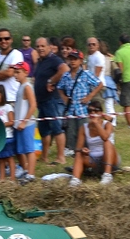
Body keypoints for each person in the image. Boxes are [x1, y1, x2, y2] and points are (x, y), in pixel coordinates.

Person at [57, 49, 103, 155]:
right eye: (70, 59)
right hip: (71, 109)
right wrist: (64, 97)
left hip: (83, 108)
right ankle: (71, 148)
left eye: (75, 59)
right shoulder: (66, 76)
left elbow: (99, 84)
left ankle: (86, 147)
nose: (72, 61)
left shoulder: (86, 74)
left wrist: (90, 96)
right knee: (71, 129)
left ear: (81, 61)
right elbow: (59, 87)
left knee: (85, 128)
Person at [33, 36, 68, 165]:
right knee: (43, 130)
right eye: (38, 46)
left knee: (56, 128)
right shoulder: (40, 62)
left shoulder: (54, 59)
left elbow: (65, 69)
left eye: (43, 46)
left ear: (49, 47)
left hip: (51, 99)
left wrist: (51, 80)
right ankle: (45, 157)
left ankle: (61, 157)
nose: (40, 48)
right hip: (41, 101)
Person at [70, 99, 117, 187]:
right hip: (93, 159)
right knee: (79, 153)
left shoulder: (107, 125)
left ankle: (107, 175)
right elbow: (77, 148)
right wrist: (82, 150)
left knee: (107, 142)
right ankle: (75, 180)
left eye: (95, 110)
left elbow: (105, 137)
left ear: (101, 113)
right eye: (90, 111)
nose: (92, 113)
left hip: (109, 158)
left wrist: (96, 124)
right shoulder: (84, 128)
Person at [10, 62, 37, 181]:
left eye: (18, 72)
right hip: (19, 124)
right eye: (14, 72)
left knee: (29, 149)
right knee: (20, 149)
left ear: (26, 72)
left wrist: (24, 122)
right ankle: (26, 170)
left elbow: (33, 105)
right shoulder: (20, 87)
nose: (15, 74)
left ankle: (31, 174)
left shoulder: (27, 87)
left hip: (27, 124)